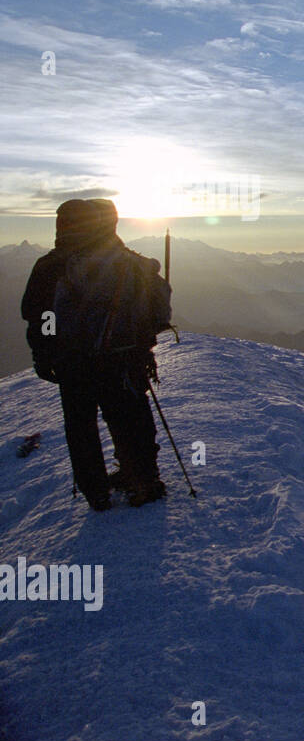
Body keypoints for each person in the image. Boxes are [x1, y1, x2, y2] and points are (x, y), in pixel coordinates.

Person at [20, 198, 173, 510]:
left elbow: (39, 316)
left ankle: (97, 492)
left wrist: (44, 353)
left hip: (71, 363)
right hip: (123, 358)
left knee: (81, 427)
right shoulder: (132, 263)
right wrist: (139, 338)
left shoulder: (50, 267)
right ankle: (142, 479)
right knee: (131, 417)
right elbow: (158, 313)